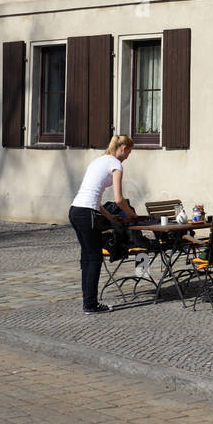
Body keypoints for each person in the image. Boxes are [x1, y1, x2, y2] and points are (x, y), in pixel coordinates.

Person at [68, 135, 138, 315]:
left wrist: (109, 216)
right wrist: (132, 215)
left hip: (76, 210)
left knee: (86, 257)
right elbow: (119, 199)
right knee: (95, 258)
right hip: (87, 212)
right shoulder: (116, 164)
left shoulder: (98, 162)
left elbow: (95, 195)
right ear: (123, 147)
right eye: (129, 150)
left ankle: (88, 302)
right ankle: (91, 304)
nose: (129, 155)